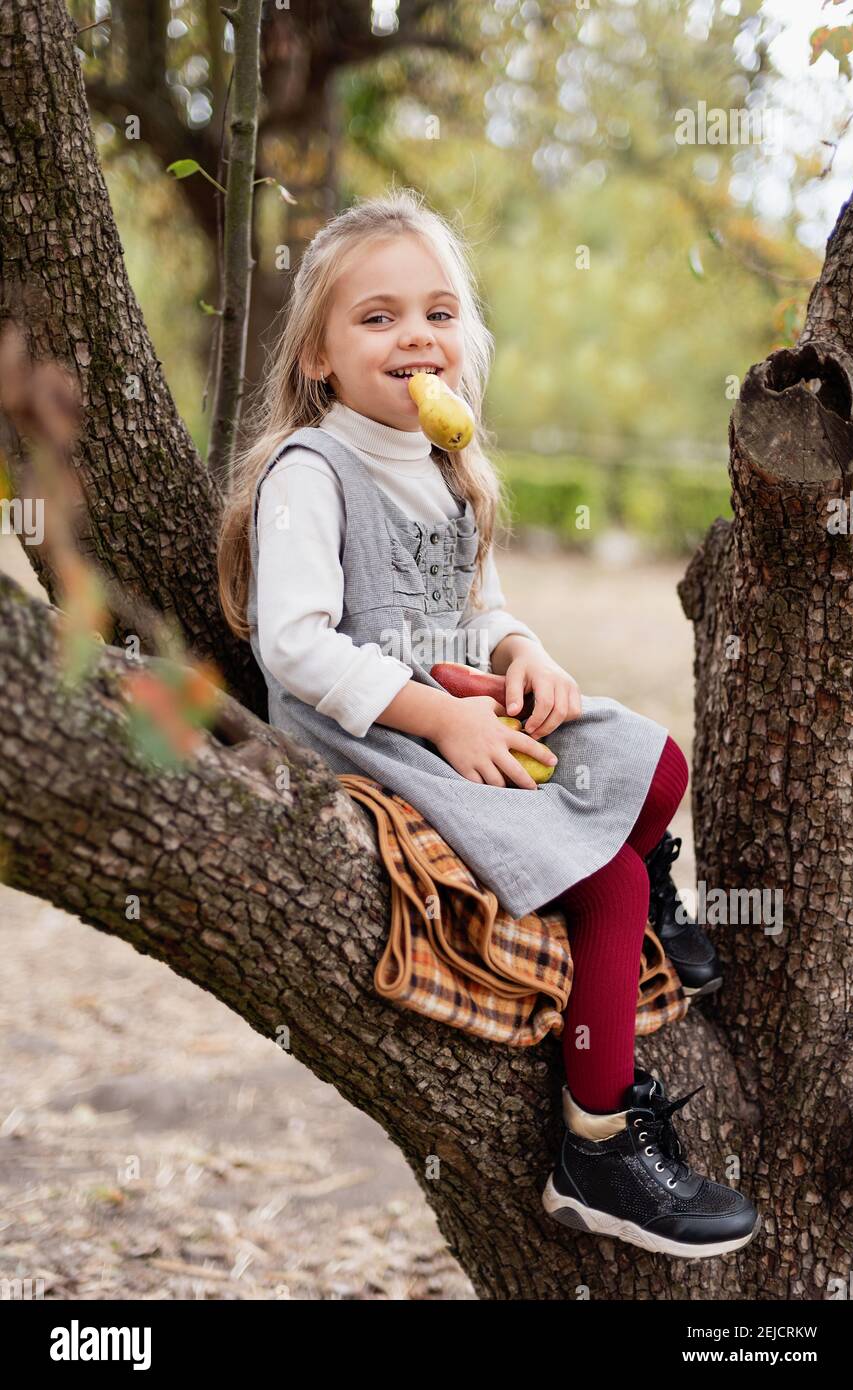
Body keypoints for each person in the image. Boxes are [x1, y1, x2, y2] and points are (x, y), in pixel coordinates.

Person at [216, 188, 759, 1260]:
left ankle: (653, 881)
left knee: (653, 763)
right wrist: (434, 715)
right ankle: (597, 1146)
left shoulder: (452, 468)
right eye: (376, 318)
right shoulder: (309, 473)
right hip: (371, 734)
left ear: (466, 340)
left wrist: (525, 657)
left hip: (460, 703)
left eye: (437, 313)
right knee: (598, 881)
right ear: (320, 356)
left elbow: (483, 610)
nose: (414, 336)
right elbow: (293, 646)